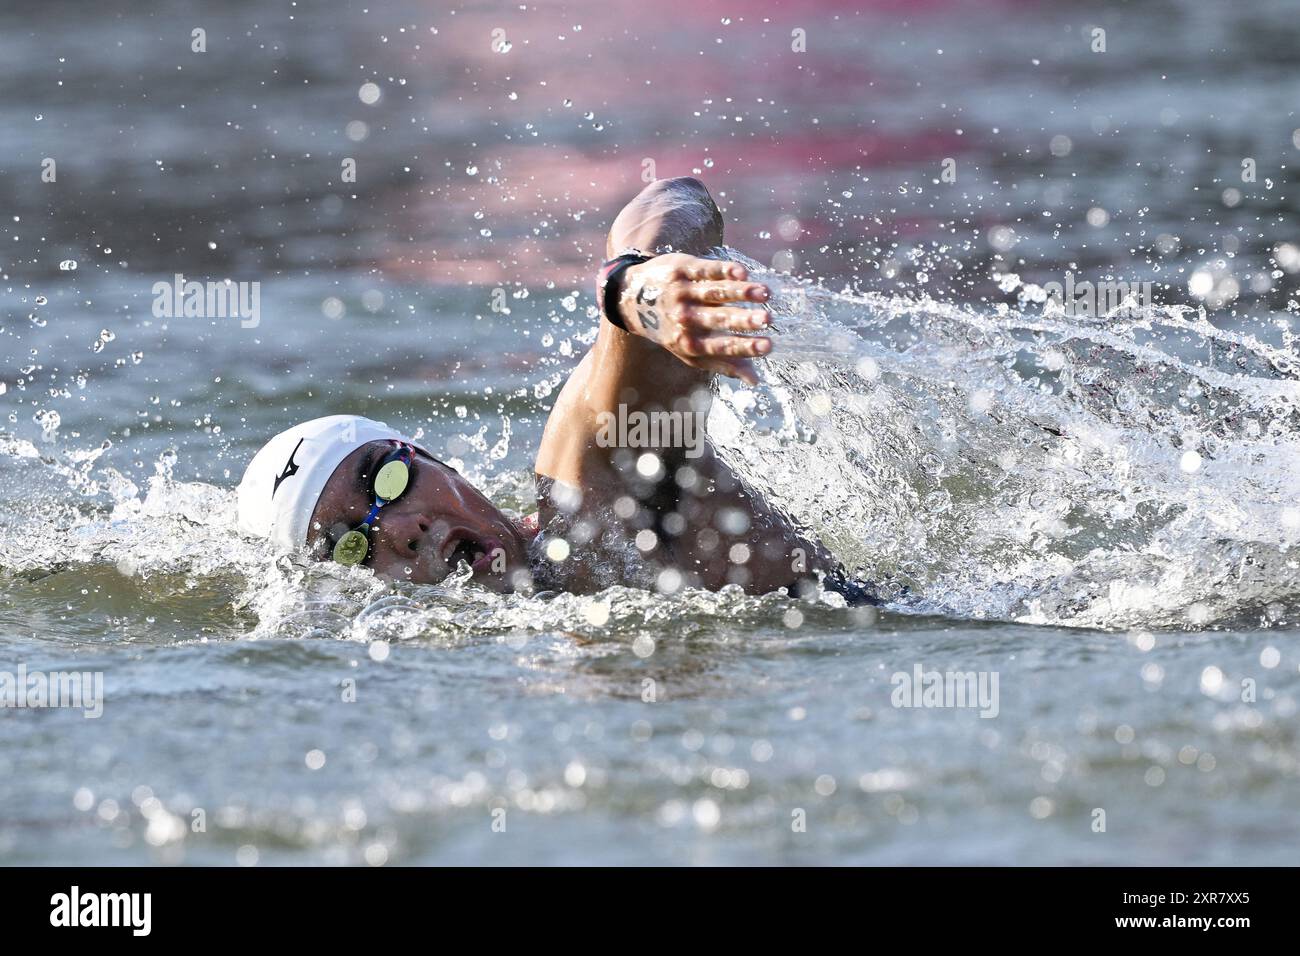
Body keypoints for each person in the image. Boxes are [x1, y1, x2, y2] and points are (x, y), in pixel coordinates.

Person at [237, 177, 870, 601]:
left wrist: (635, 287)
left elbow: (675, 196)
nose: (400, 529)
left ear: (433, 460)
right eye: (351, 543)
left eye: (385, 480)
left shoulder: (593, 503)